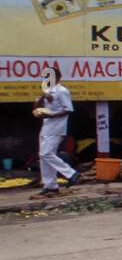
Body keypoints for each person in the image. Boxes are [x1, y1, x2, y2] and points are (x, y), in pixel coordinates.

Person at [32, 66, 80, 197]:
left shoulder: (62, 91)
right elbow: (37, 108)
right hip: (46, 126)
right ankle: (50, 186)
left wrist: (52, 115)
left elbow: (68, 109)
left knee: (46, 153)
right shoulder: (47, 90)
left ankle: (71, 173)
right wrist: (42, 99)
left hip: (57, 127)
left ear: (57, 78)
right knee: (43, 156)